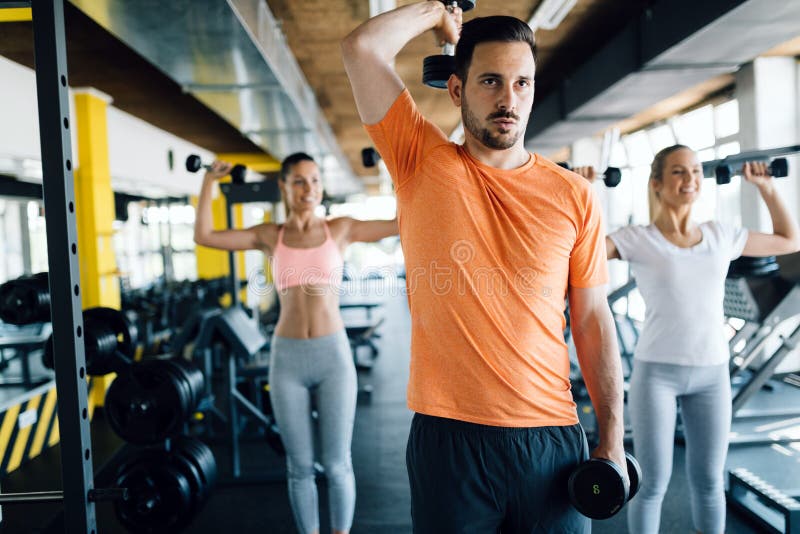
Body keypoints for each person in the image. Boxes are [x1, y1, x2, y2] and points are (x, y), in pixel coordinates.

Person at [342, 4, 626, 532]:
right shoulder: (419, 160)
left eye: (522, 82)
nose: (508, 99)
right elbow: (360, 49)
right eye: (491, 80)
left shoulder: (575, 196)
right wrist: (436, 14)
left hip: (551, 438)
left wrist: (611, 436)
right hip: (448, 438)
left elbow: (591, 321)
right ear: (456, 89)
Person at [581, 145, 800, 534]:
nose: (691, 179)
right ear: (658, 184)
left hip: (712, 375)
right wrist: (582, 194)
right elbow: (582, 251)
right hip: (656, 375)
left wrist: (765, 187)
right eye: (679, 172)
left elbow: (789, 239)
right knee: (652, 484)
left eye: (696, 171)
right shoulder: (638, 238)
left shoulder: (722, 235)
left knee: (709, 482)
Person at [194, 153, 398, 534]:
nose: (310, 189)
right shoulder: (271, 236)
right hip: (287, 360)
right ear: (284, 187)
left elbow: (402, 222)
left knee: (337, 464)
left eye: (316, 181)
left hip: (333, 357)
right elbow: (204, 236)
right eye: (300, 181)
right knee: (299, 467)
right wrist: (209, 183)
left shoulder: (341, 229)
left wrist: (396, 168)